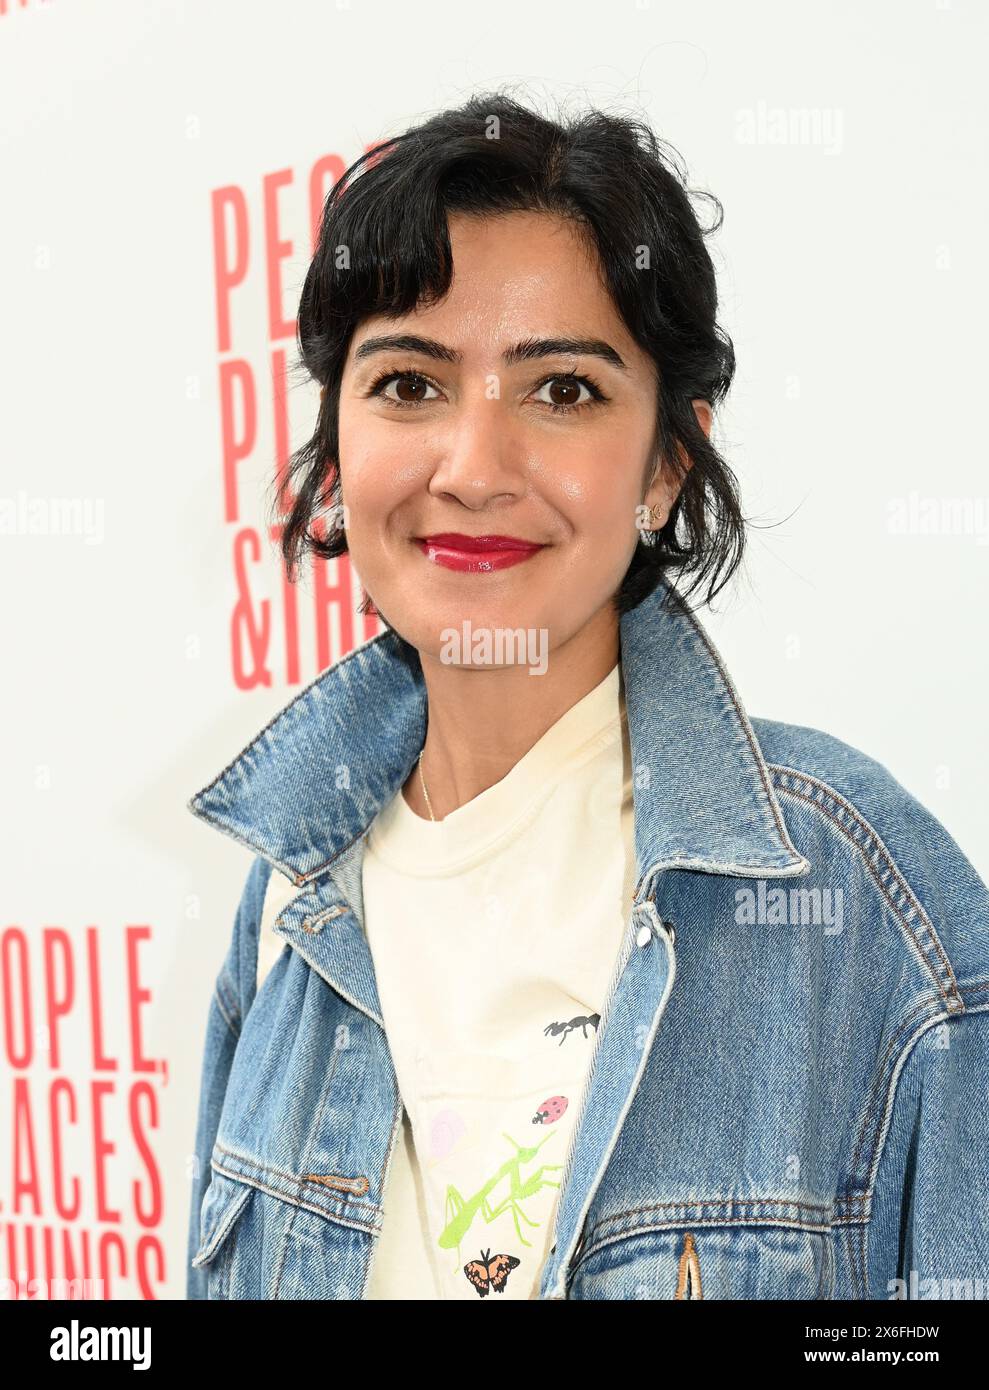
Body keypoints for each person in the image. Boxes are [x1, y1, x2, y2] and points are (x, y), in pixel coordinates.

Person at [186, 91, 989, 1301]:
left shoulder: (863, 902)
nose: (472, 468)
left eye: (560, 390)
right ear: (339, 446)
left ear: (667, 461)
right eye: (408, 385)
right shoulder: (288, 904)